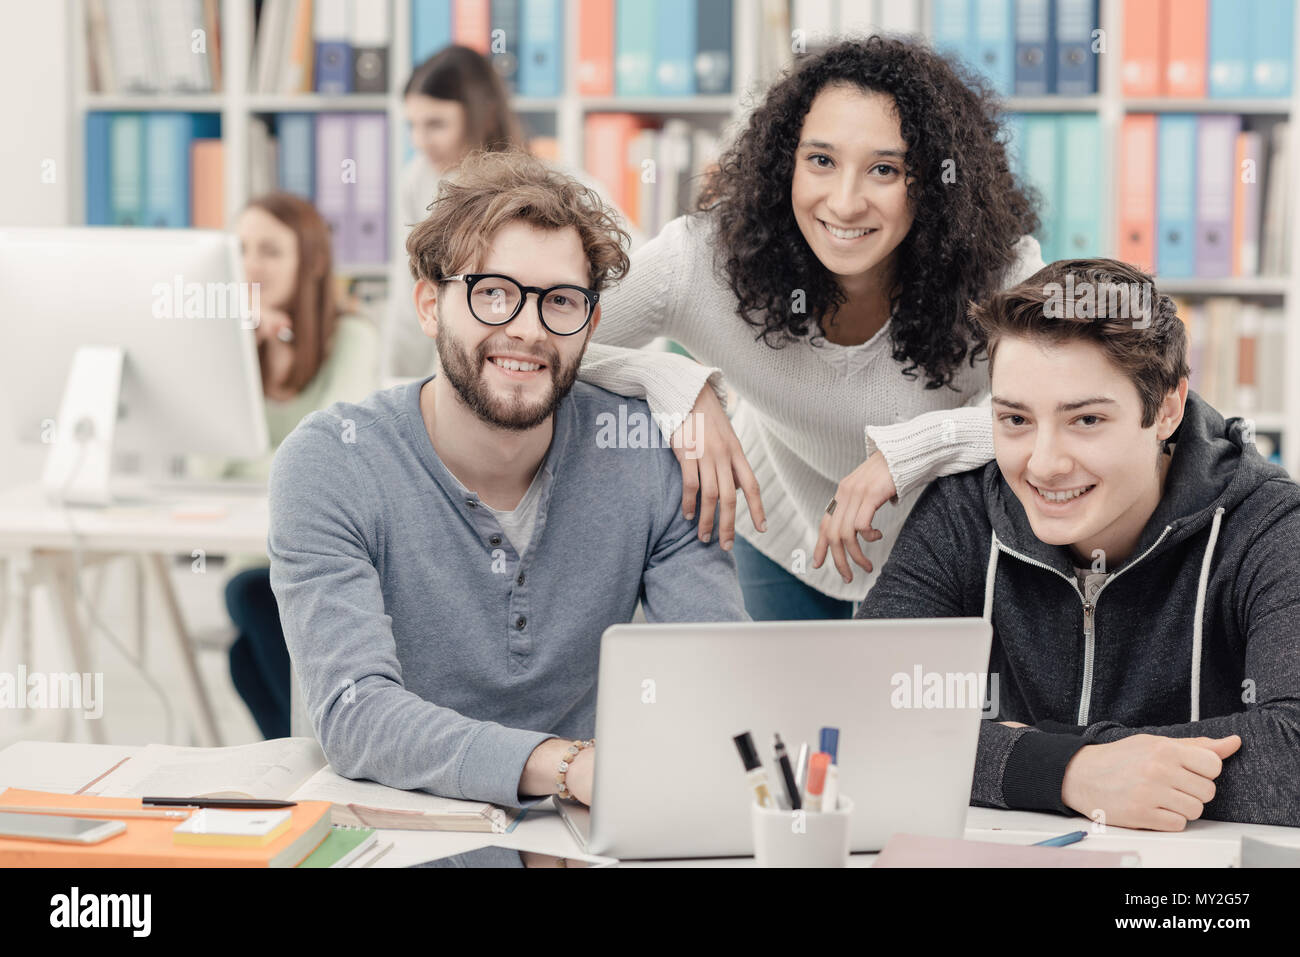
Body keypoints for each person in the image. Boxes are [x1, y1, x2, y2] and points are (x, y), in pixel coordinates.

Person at [267, 150, 747, 808]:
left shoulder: (654, 455)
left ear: (592, 326)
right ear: (430, 306)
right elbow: (358, 715)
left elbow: (713, 682)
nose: (527, 328)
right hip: (397, 839)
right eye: (493, 293)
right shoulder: (331, 462)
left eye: (560, 301)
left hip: (581, 843)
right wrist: (563, 765)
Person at [573, 35, 1045, 620]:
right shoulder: (702, 261)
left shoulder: (1001, 274)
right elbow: (541, 344)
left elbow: (1045, 410)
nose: (845, 203)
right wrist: (673, 384)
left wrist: (907, 456)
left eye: (885, 169)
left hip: (934, 549)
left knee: (907, 712)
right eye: (821, 160)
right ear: (784, 164)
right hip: (771, 533)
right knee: (772, 710)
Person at [855, 258, 1300, 829]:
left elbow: (1291, 755)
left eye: (1086, 420)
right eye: (1016, 420)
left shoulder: (1269, 526)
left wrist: (1028, 753)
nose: (1044, 464)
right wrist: (1071, 773)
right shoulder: (961, 514)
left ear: (1165, 408)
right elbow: (866, 716)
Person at [202, 193, 379, 740]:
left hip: (321, 561)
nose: (251, 265)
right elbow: (204, 469)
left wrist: (252, 464)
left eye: (270, 251)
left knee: (252, 605)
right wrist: (236, 359)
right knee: (244, 650)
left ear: (310, 261)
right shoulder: (228, 347)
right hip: (254, 556)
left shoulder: (353, 338)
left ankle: (326, 750)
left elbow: (321, 462)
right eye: (242, 248)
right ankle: (315, 760)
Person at [388, 44, 641, 378]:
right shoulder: (418, 180)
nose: (419, 141)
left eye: (436, 124)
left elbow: (639, 271)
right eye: (412, 125)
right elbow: (407, 306)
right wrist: (393, 387)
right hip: (449, 376)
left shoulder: (559, 187)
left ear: (482, 116)